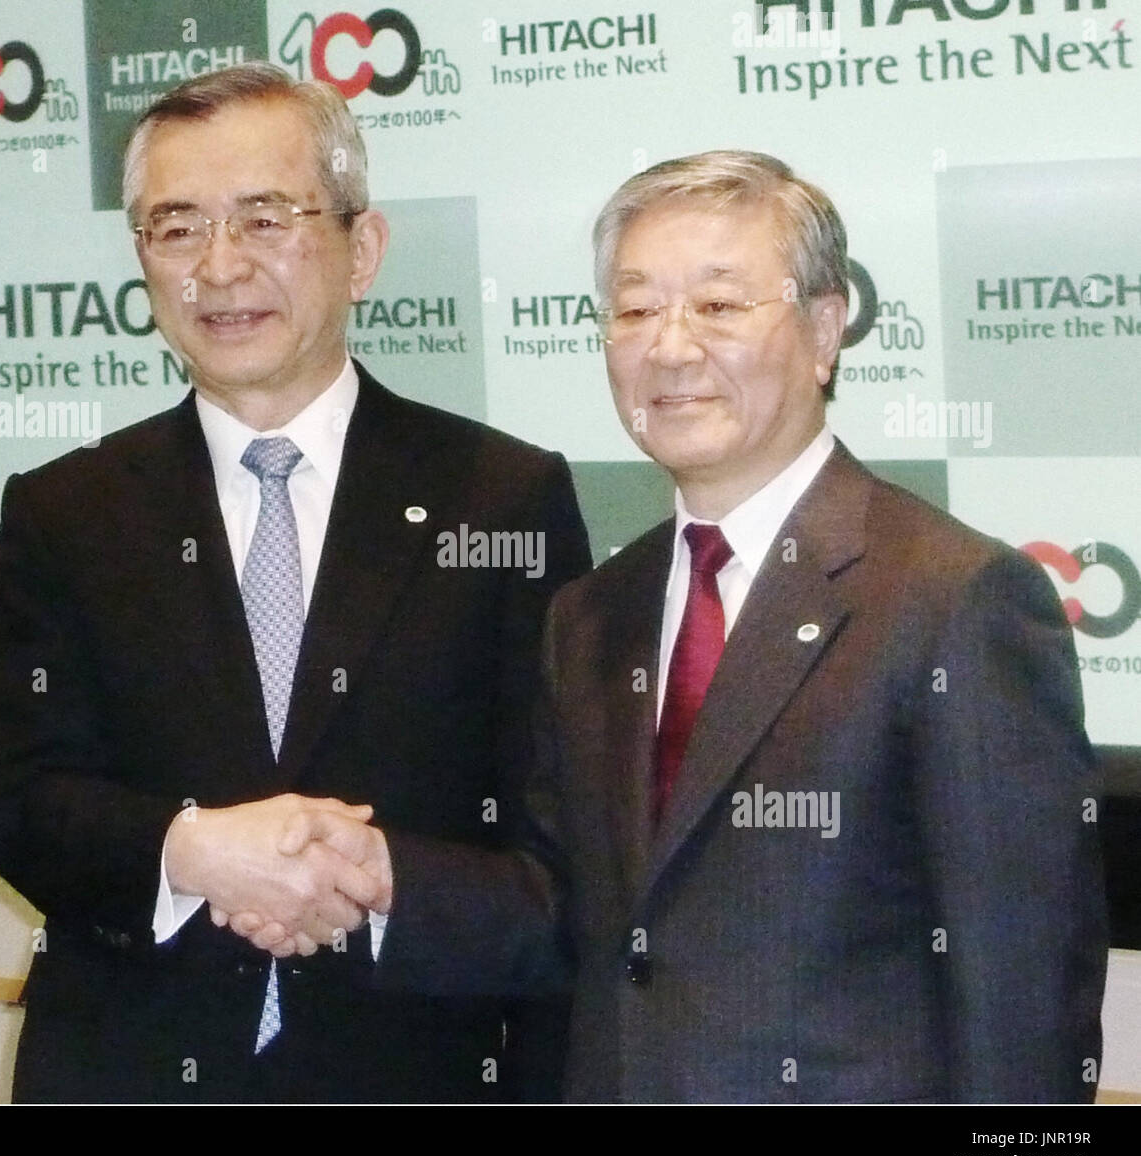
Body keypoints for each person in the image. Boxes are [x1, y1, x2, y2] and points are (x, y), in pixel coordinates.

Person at [273, 150, 1109, 1102]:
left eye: (719, 305)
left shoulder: (955, 599)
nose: (669, 347)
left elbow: (1024, 998)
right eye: (633, 310)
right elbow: (568, 915)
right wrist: (380, 879)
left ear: (826, 327)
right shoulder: (591, 618)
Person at [0, 63, 591, 1103]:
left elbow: (551, 841)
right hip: (128, 1069)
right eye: (177, 228)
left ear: (363, 249)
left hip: (412, 1068)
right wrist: (194, 850)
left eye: (264, 219)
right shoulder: (65, 511)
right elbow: (14, 795)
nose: (219, 266)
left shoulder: (502, 498)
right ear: (143, 262)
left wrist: (372, 878)